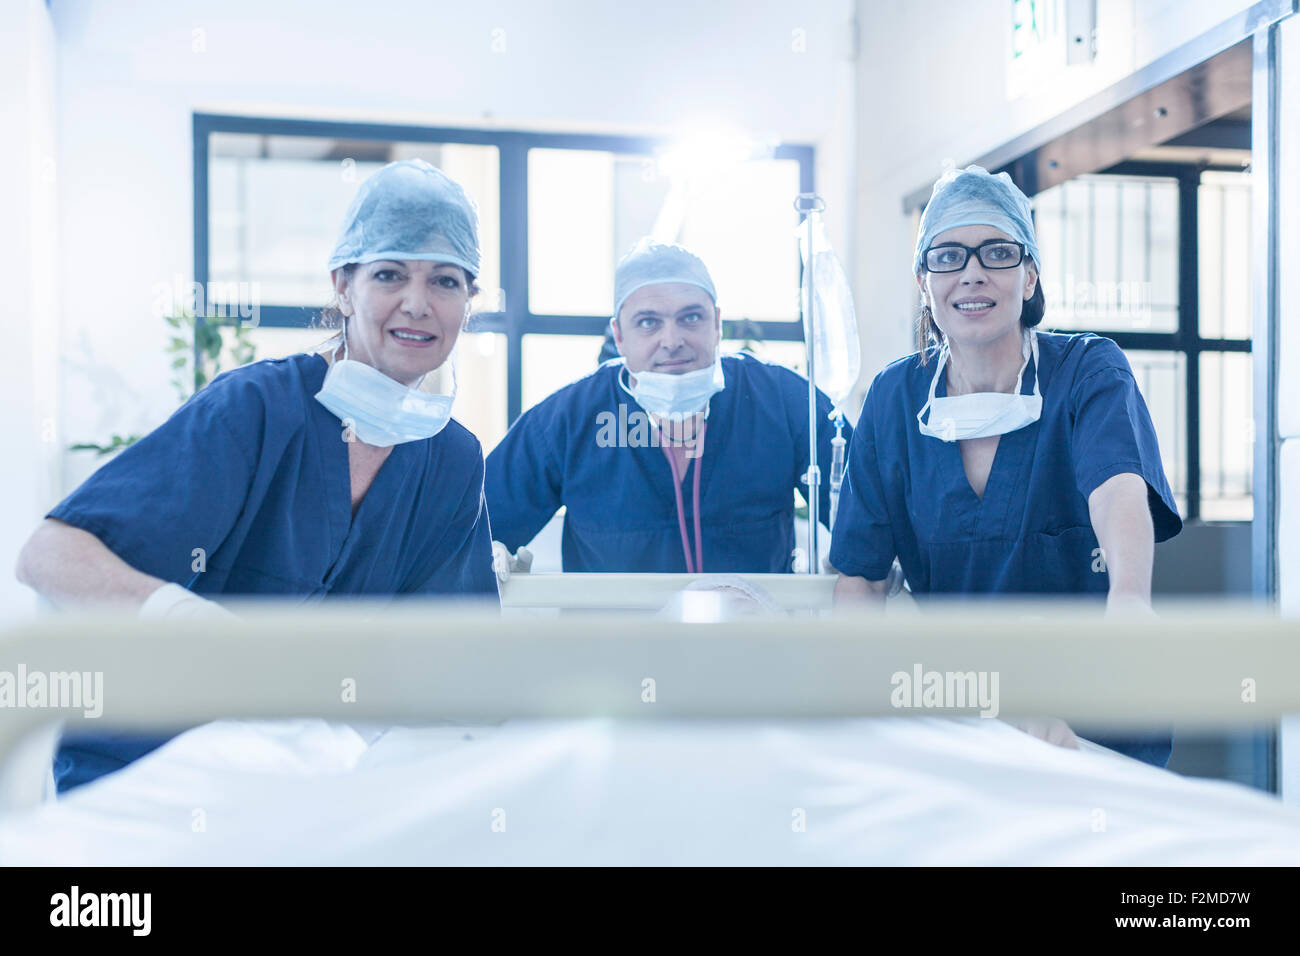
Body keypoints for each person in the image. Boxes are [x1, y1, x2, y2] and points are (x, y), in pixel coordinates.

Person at [16, 158, 498, 791]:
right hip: (150, 767)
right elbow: (49, 556)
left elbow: (454, 654)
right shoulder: (256, 409)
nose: (418, 303)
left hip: (308, 775)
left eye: (444, 281)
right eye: (388, 274)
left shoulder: (451, 459)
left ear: (469, 303)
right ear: (343, 287)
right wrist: (184, 623)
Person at [830, 166, 1181, 767]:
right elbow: (861, 577)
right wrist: (866, 704)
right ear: (924, 281)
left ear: (1030, 274)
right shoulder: (894, 398)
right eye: (947, 256)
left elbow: (1116, 488)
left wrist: (1129, 599)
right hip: (962, 718)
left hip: (1096, 719)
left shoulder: (1088, 371)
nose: (972, 272)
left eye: (997, 252)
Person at [485, 239, 846, 574]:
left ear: (717, 324)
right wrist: (489, 554)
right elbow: (477, 526)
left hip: (748, 638)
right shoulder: (568, 419)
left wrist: (863, 559)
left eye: (691, 317)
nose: (672, 341)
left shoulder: (784, 402)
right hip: (611, 641)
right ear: (620, 334)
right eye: (648, 323)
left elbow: (868, 512)